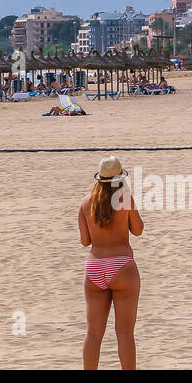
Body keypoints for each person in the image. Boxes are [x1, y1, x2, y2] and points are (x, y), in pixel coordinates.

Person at [78, 155, 143, 370]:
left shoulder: (86, 203)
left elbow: (85, 241)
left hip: (95, 267)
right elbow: (138, 230)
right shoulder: (125, 199)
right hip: (122, 266)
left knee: (93, 333)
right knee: (125, 333)